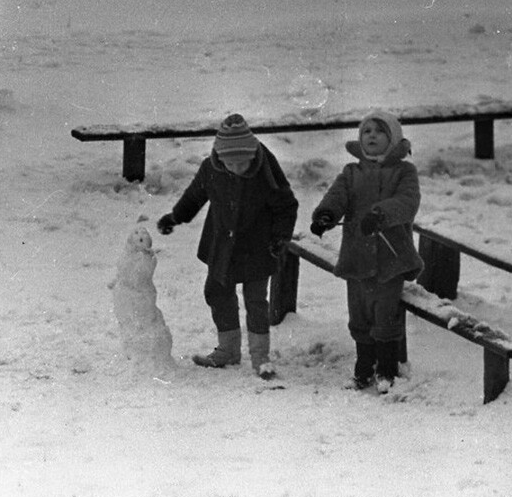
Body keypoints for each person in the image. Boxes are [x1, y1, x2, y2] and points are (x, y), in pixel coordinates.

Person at [157, 113, 298, 380]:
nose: (236, 167)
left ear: (251, 154)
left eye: (242, 162)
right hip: (222, 244)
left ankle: (261, 357)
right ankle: (228, 350)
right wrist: (175, 217)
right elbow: (195, 195)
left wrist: (281, 237)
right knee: (217, 293)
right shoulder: (211, 168)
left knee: (256, 300)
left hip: (259, 245)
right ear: (220, 157)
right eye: (230, 162)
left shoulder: (265, 167)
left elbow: (286, 205)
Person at [309, 111, 423, 394]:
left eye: (379, 131)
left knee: (384, 313)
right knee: (359, 314)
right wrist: (326, 214)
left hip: (390, 256)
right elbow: (337, 196)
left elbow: (407, 202)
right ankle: (363, 369)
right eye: (366, 131)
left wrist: (381, 214)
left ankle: (386, 369)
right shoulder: (351, 172)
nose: (371, 136)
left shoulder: (404, 172)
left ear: (393, 138)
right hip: (357, 255)